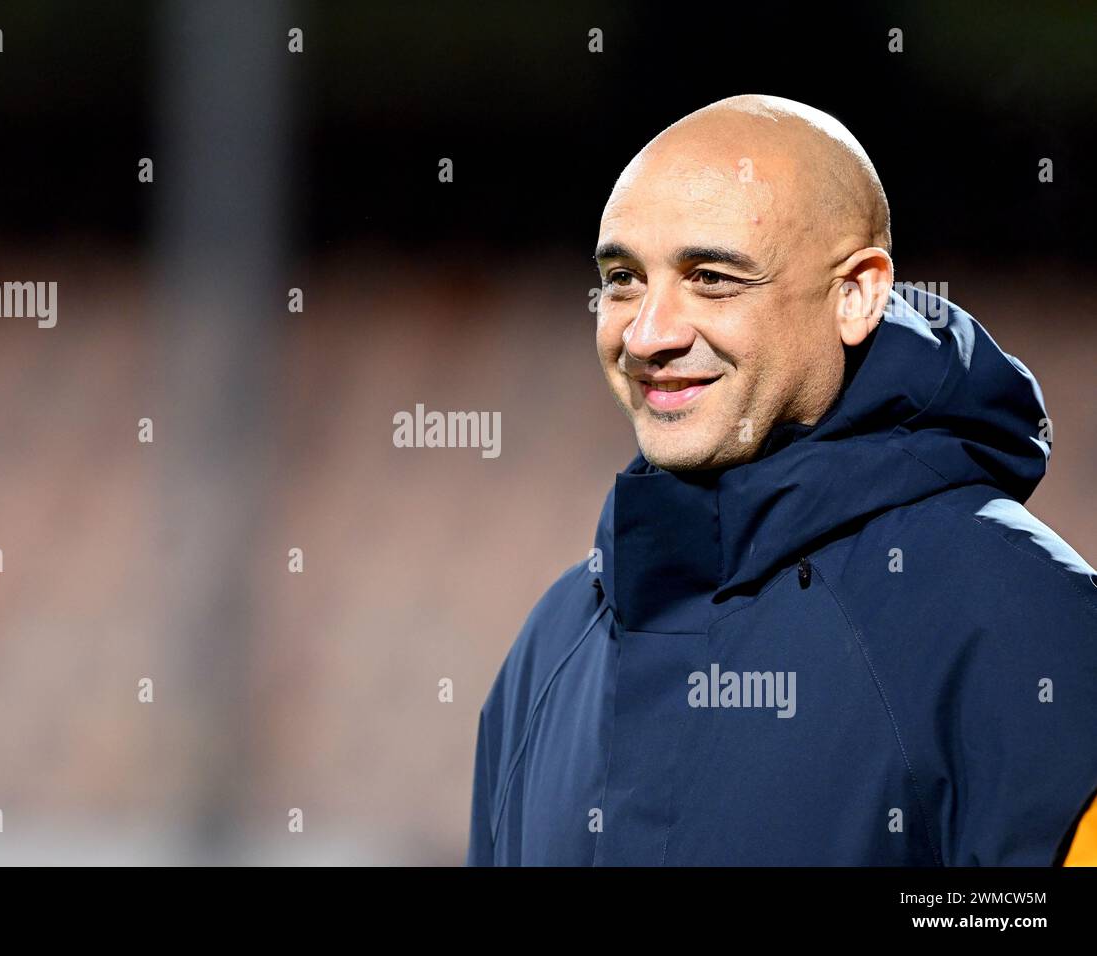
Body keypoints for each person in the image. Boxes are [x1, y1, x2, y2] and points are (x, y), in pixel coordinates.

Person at [466, 94, 1097, 866]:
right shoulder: (553, 640)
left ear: (858, 293)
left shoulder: (1022, 618)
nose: (647, 334)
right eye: (624, 277)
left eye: (712, 278)